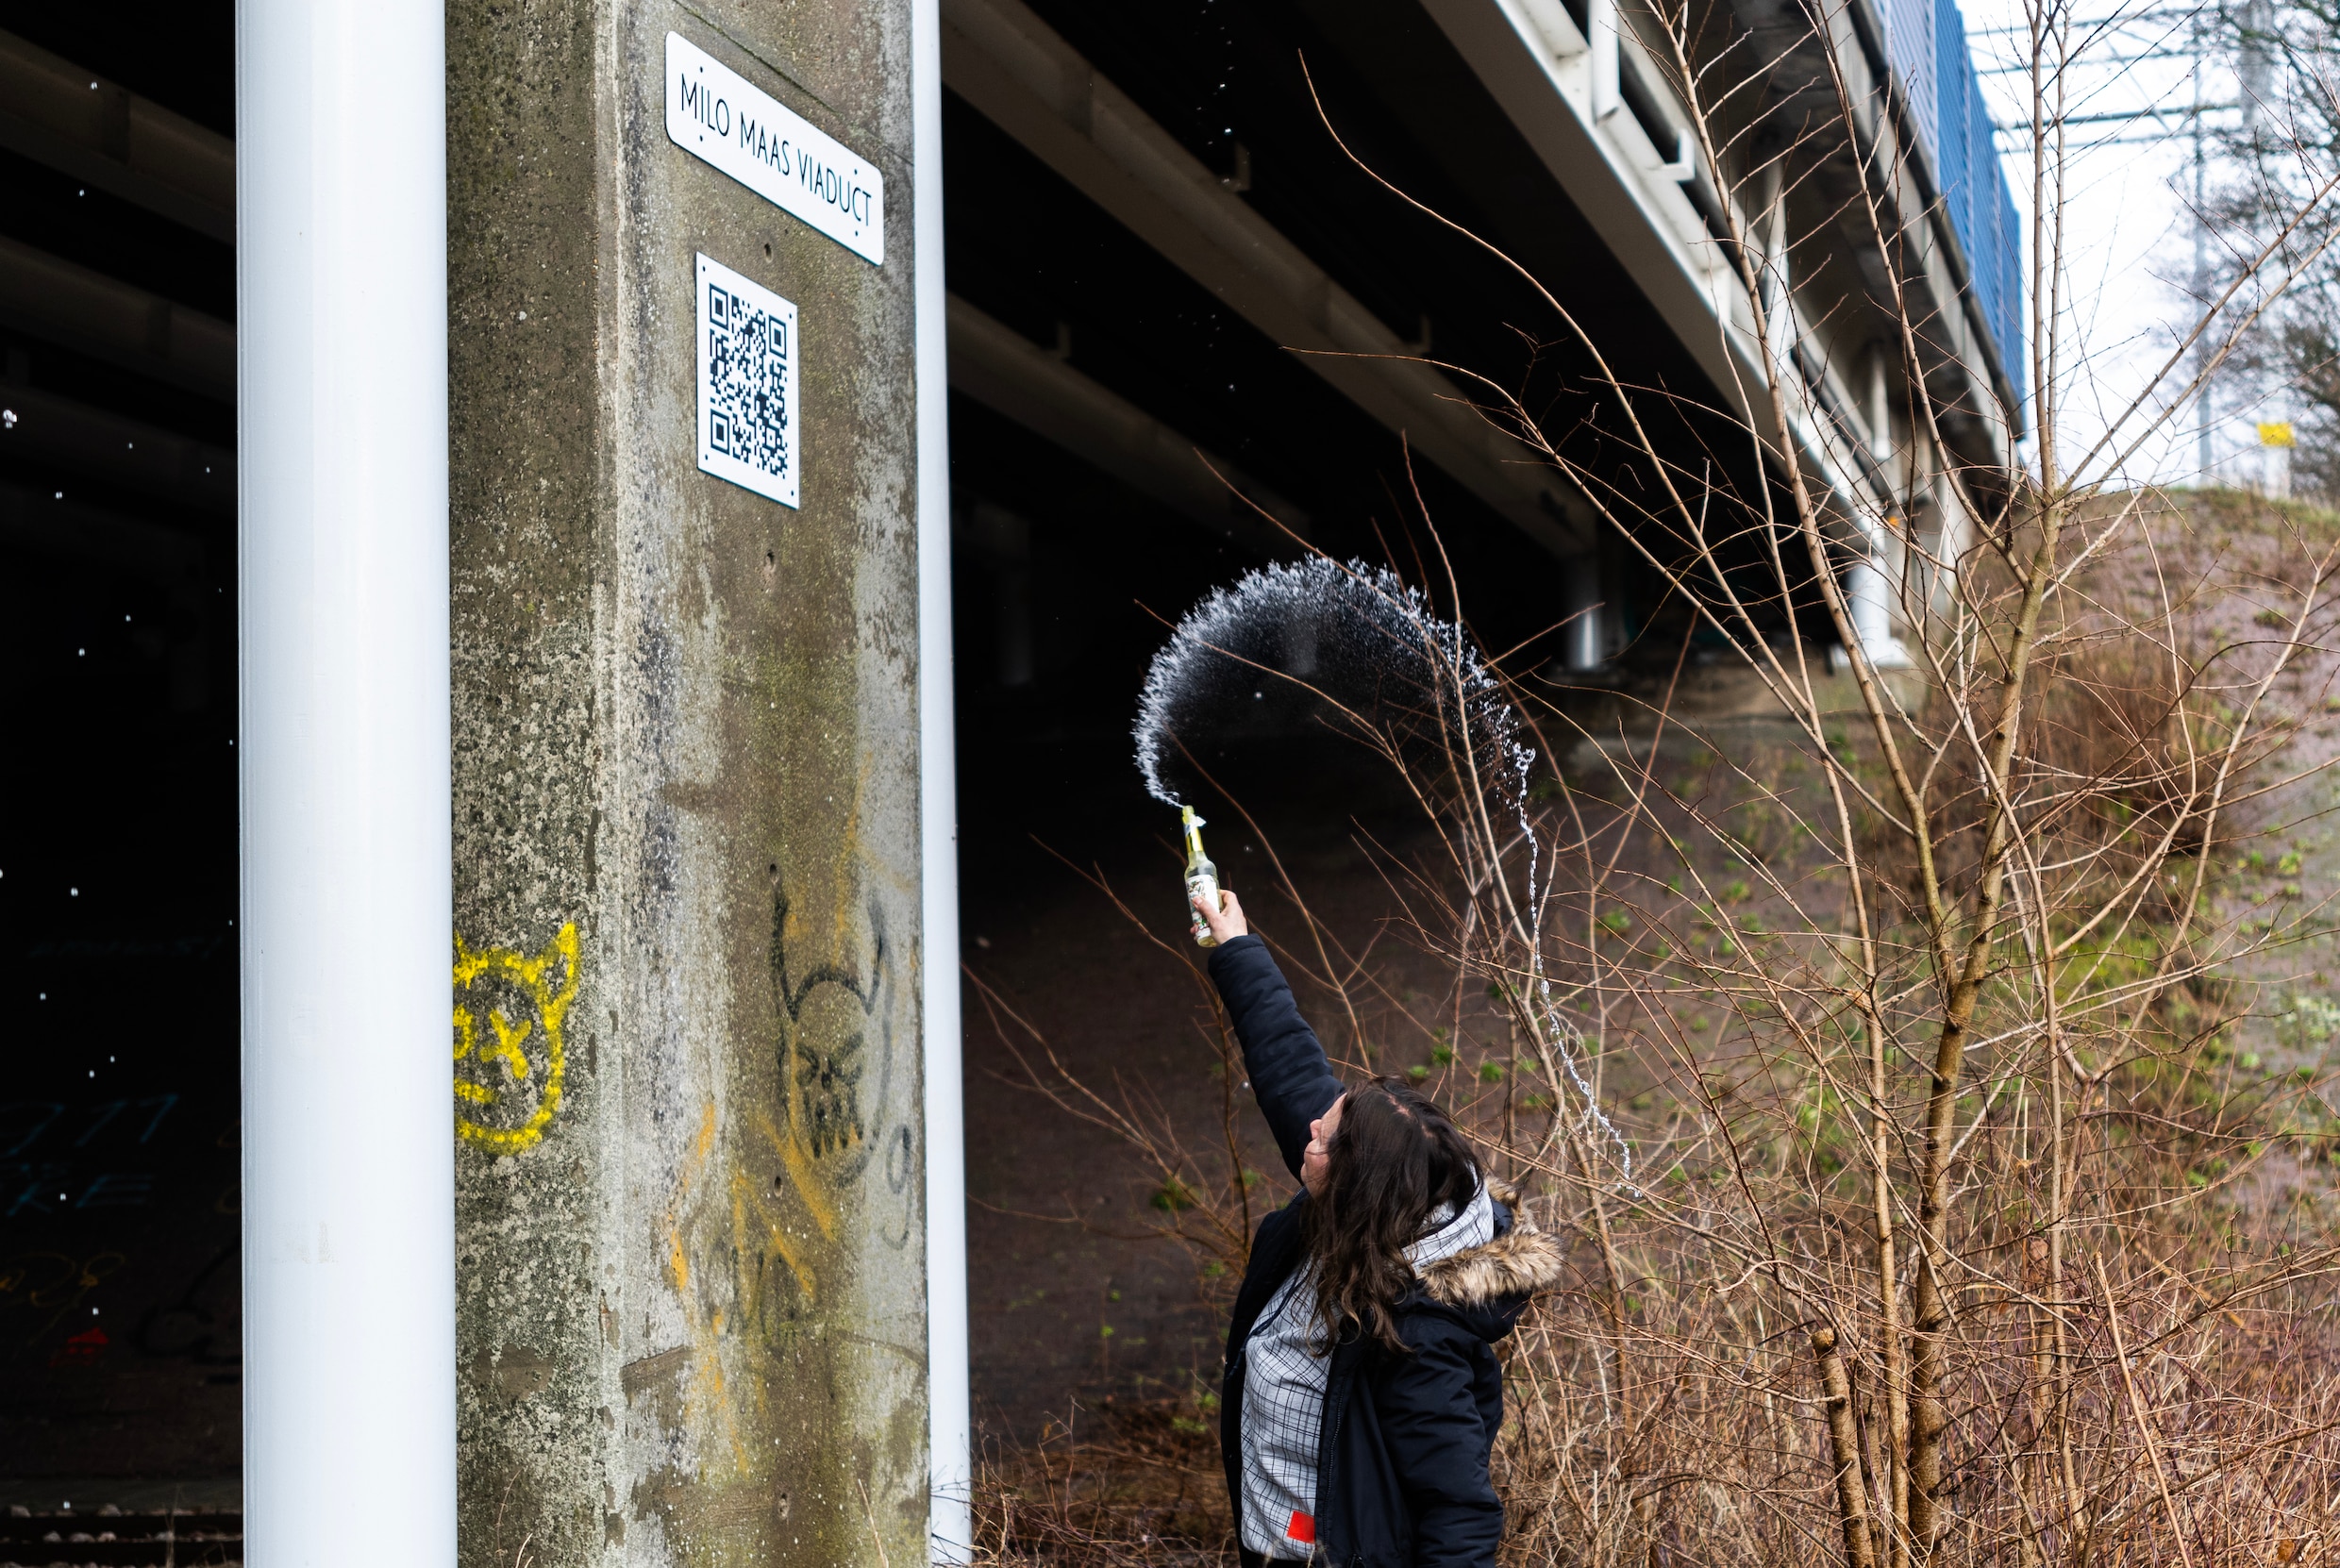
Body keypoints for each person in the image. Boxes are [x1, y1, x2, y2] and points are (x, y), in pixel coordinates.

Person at [1194, 886, 1563, 1568]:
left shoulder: (1419, 1341)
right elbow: (1287, 1062)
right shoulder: (1369, 1194)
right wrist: (1236, 945)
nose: (1310, 1130)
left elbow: (1460, 1514)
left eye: (1326, 1138)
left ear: (1358, 1189)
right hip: (1272, 1544)